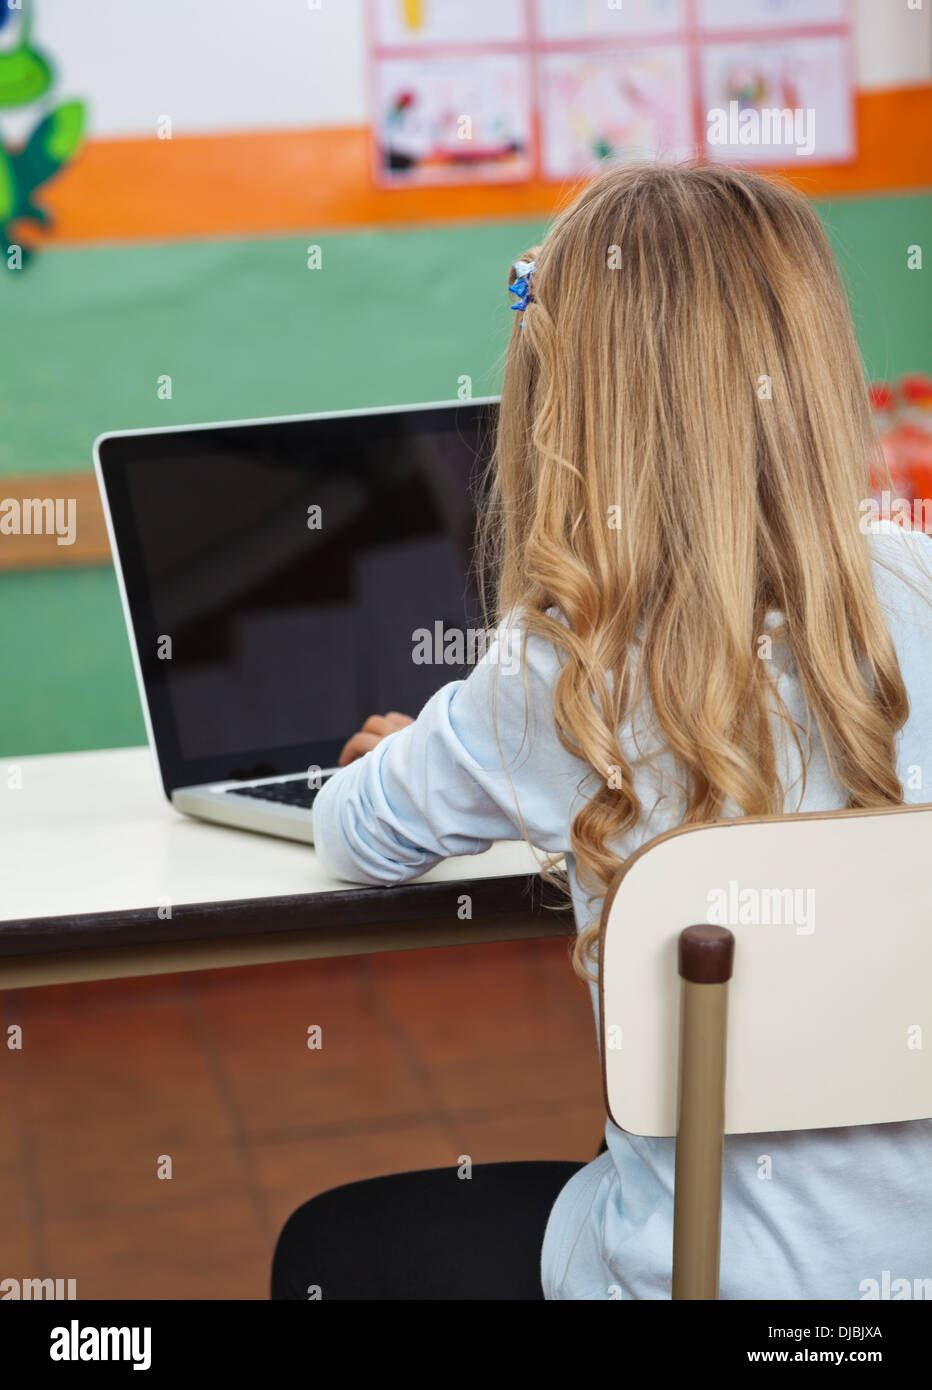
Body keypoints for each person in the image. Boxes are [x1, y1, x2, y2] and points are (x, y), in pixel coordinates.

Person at [271, 162, 932, 1300]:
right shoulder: (918, 582)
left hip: (700, 1280)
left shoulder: (556, 678)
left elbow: (351, 837)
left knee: (327, 1249)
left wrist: (394, 762)